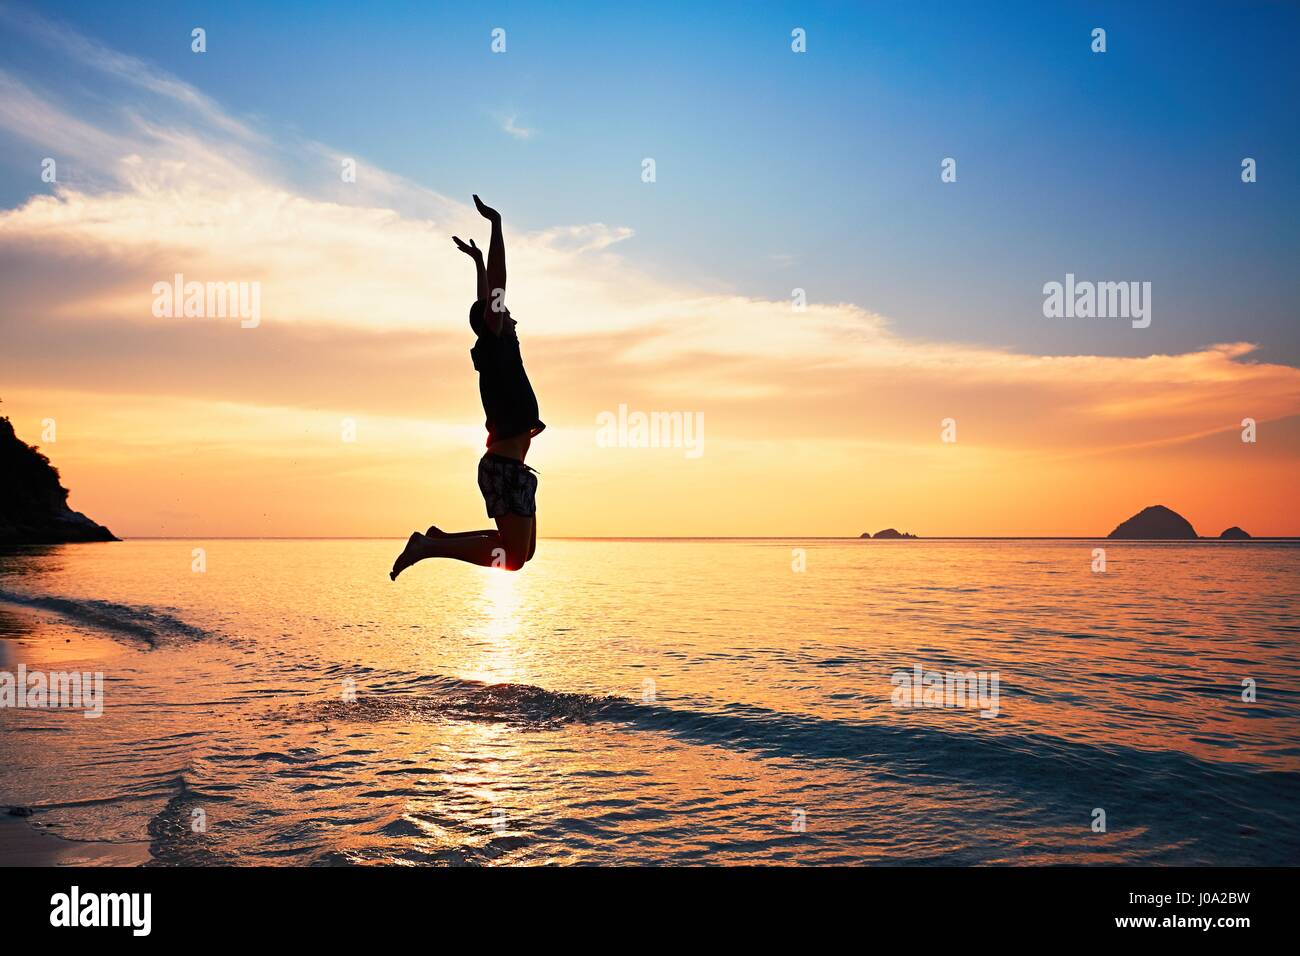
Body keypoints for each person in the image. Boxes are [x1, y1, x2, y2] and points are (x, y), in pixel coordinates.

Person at [390, 195, 544, 579]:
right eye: (504, 313)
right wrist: (496, 225)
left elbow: (487, 297)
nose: (511, 316)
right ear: (492, 321)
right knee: (511, 557)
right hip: (503, 468)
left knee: (522, 556)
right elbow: (495, 292)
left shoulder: (500, 351)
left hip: (513, 468)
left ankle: (437, 539)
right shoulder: (495, 346)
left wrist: (476, 263)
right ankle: (430, 546)